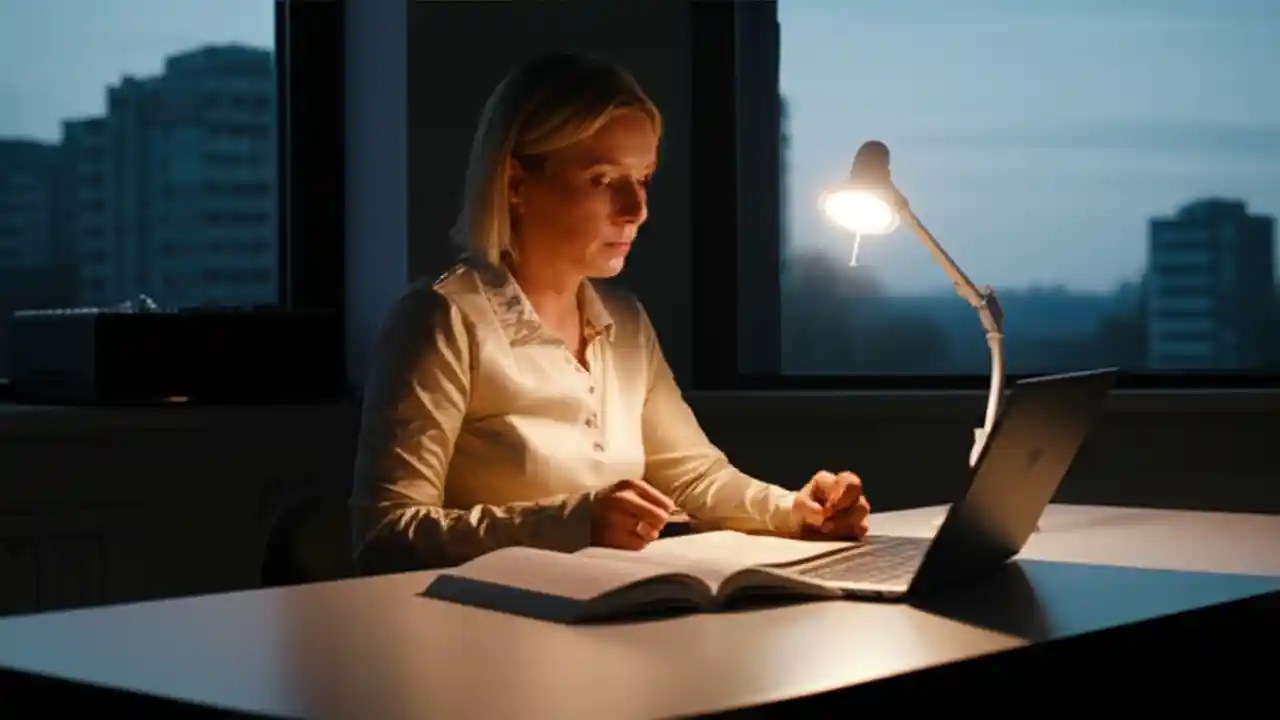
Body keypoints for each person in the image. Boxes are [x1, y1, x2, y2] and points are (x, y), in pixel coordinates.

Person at [349, 51, 871, 574]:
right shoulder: (443, 320)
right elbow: (385, 533)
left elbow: (695, 476)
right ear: (516, 185)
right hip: (485, 615)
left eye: (642, 179)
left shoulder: (624, 321)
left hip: (609, 602)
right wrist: (570, 523)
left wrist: (797, 511)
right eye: (602, 180)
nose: (636, 210)